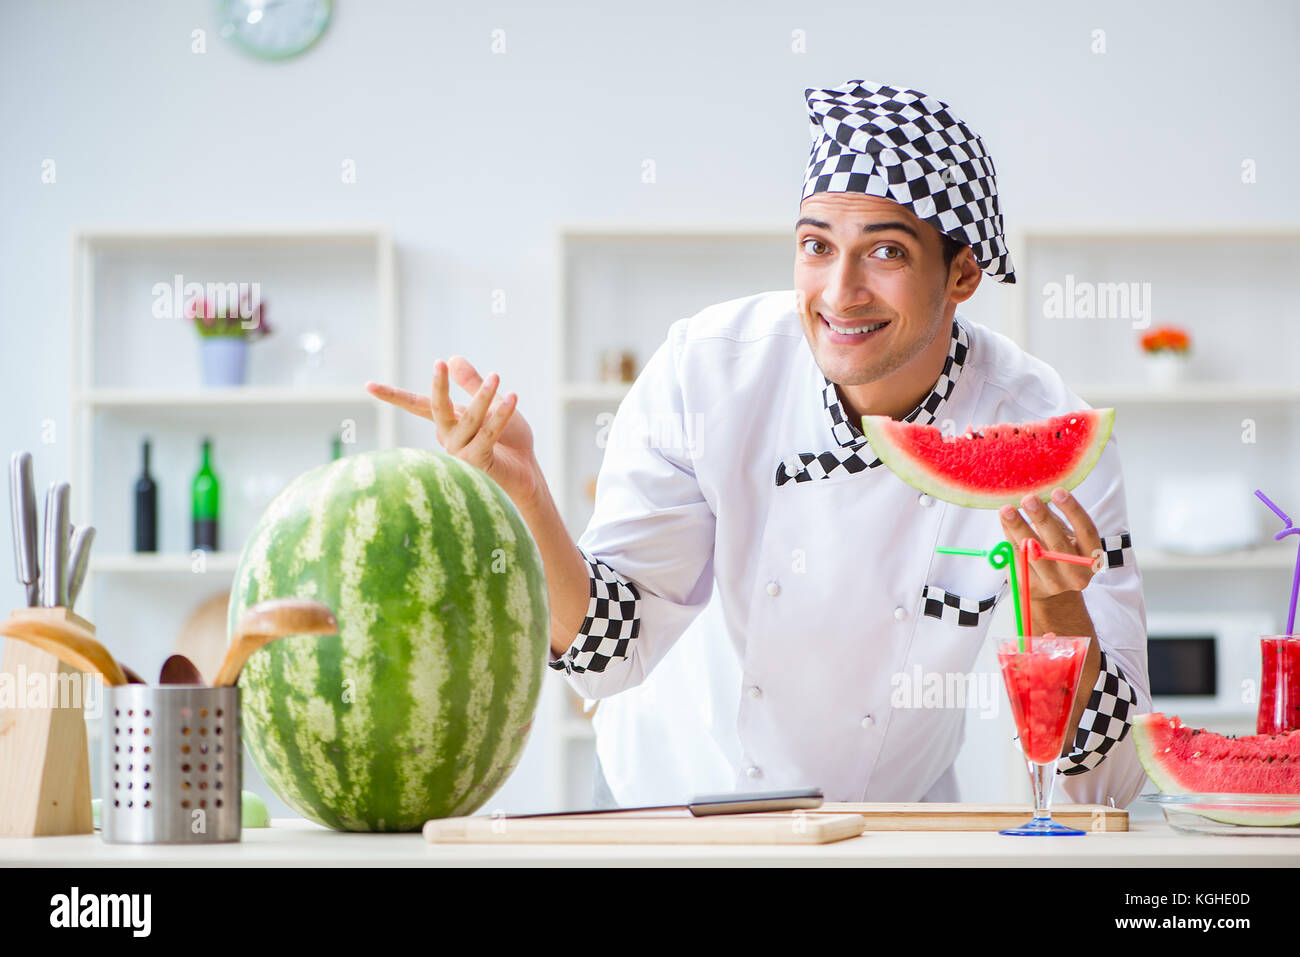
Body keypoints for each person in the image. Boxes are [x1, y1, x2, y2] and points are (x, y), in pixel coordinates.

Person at [368, 79, 1150, 809]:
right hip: (669, 806)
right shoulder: (704, 370)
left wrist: (1056, 605)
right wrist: (529, 496)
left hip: (885, 828)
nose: (840, 291)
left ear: (963, 274)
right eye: (816, 245)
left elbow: (1107, 782)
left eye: (886, 252)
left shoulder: (1046, 429)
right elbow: (608, 650)